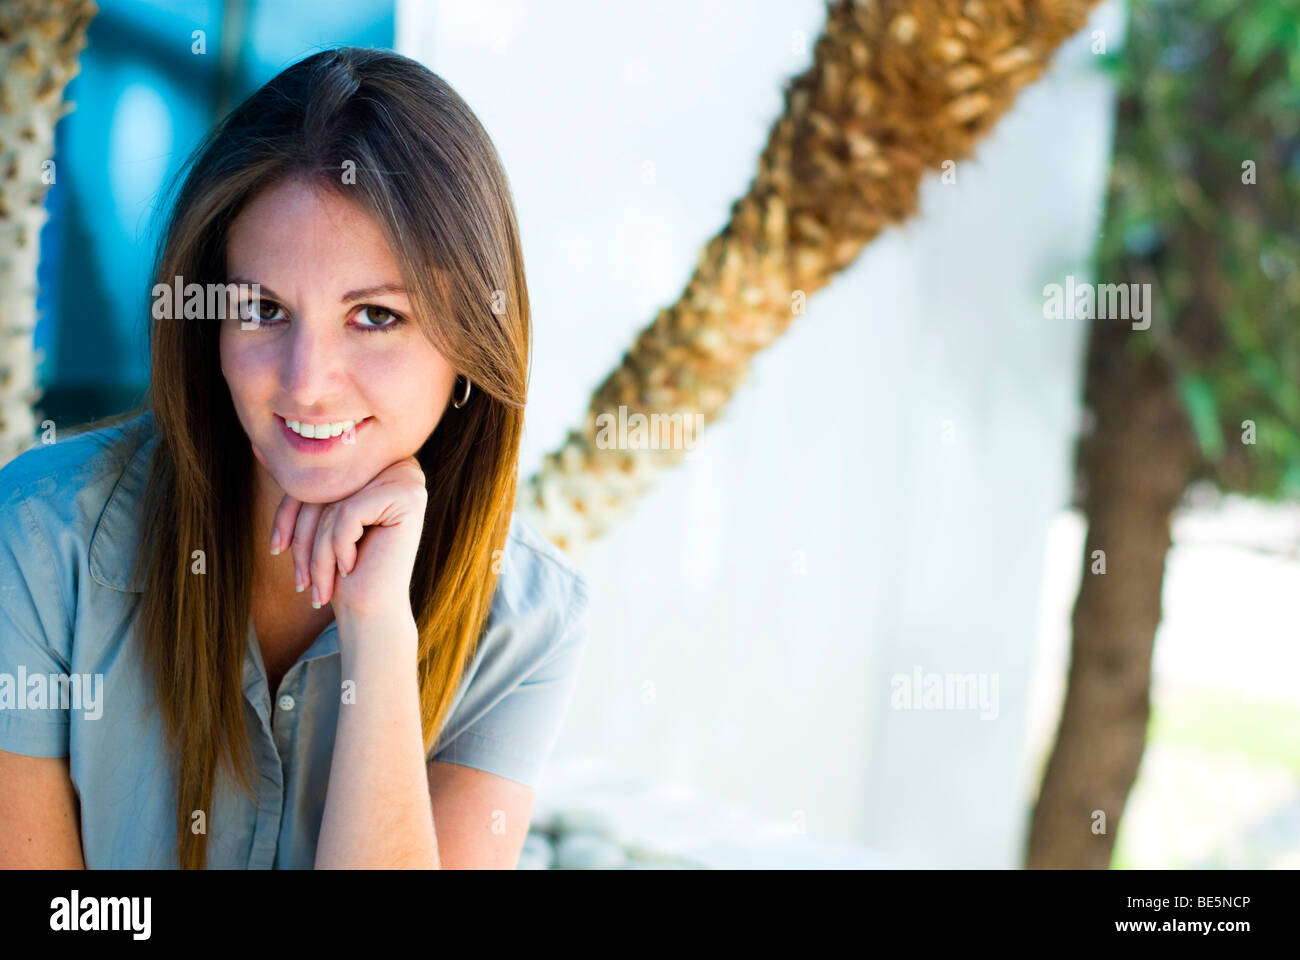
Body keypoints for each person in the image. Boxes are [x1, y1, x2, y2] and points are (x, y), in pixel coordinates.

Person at [0, 47, 590, 869]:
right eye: (263, 308)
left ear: (471, 347)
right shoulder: (37, 541)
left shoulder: (526, 617)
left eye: (376, 316)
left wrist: (378, 633)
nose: (307, 384)